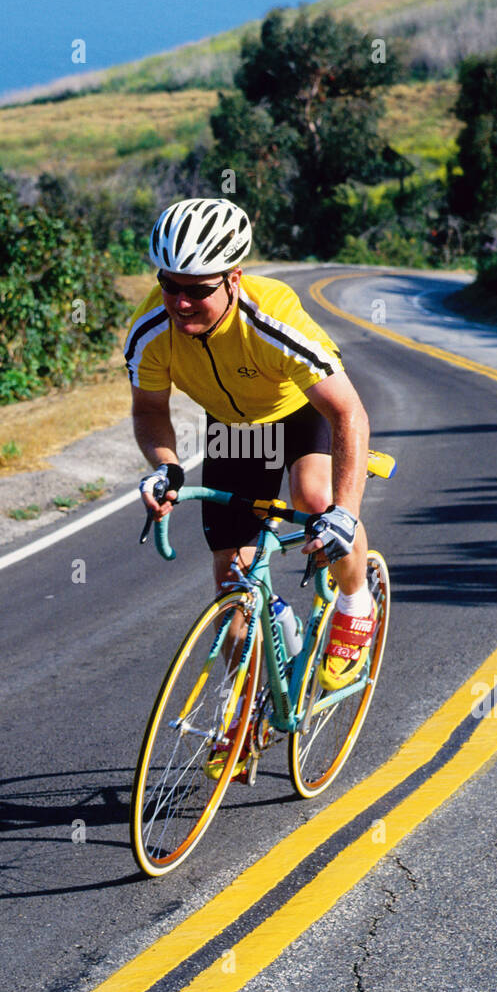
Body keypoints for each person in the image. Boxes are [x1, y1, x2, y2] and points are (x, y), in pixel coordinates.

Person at [125, 196, 376, 698]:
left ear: (233, 279)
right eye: (169, 286)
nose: (180, 303)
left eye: (197, 290)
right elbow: (150, 411)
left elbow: (348, 413)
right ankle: (238, 717)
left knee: (312, 499)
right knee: (232, 584)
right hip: (235, 429)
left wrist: (344, 513)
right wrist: (166, 468)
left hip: (300, 411)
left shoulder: (272, 320)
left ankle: (355, 606)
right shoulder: (150, 331)